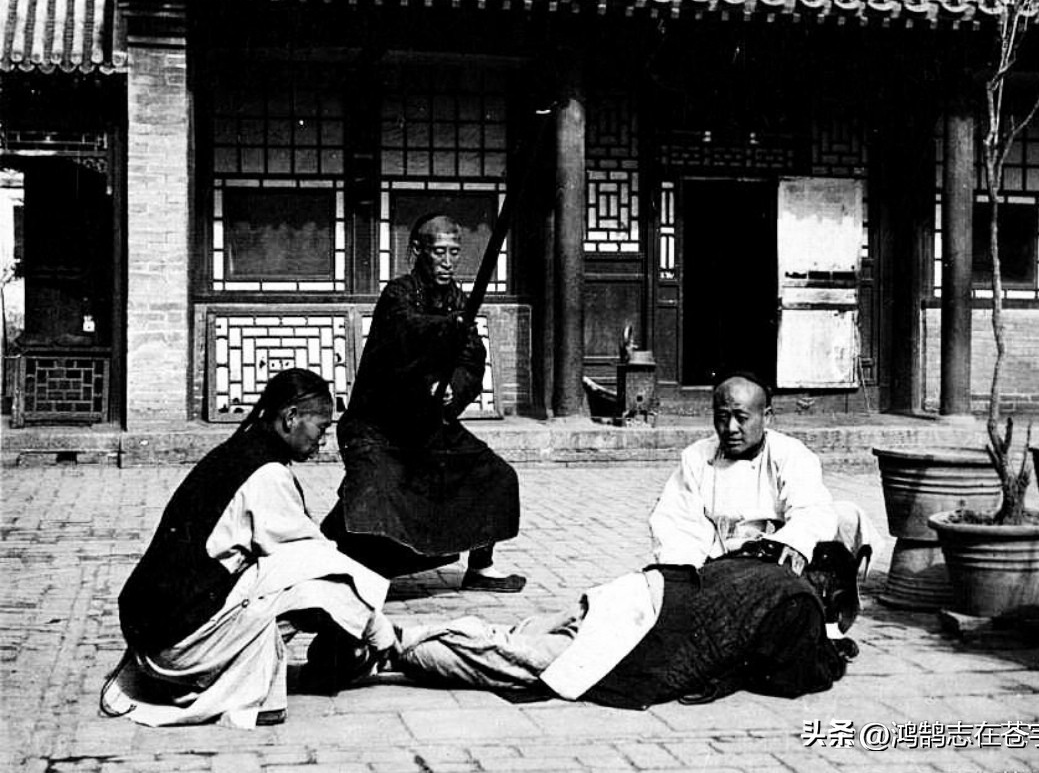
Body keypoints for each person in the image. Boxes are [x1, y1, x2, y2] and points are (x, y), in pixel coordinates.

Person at [100, 369, 395, 728]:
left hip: (155, 640)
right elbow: (315, 560)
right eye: (320, 428)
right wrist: (375, 629)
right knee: (316, 577)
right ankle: (257, 690)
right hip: (179, 649)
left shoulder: (240, 451)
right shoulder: (266, 473)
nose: (322, 441)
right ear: (290, 418)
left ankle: (330, 656)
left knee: (287, 571)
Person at [323, 213, 525, 591]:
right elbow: (405, 330)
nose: (448, 262)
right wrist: (450, 325)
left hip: (428, 425)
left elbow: (470, 360)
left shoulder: (457, 299)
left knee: (495, 475)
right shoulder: (398, 295)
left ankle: (480, 567)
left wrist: (455, 390)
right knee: (374, 491)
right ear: (417, 251)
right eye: (439, 252)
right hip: (377, 425)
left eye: (454, 253)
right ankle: (342, 560)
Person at [387, 550, 854, 708]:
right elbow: (790, 680)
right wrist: (832, 658)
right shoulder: (801, 600)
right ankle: (392, 645)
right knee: (517, 663)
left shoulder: (763, 568)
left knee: (522, 638)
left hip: (633, 592)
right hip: (639, 631)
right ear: (829, 587)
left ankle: (404, 639)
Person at [649, 372, 879, 634]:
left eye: (741, 418)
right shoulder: (696, 457)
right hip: (718, 562)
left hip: (777, 560)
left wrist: (791, 545)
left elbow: (810, 509)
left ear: (766, 417)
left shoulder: (791, 454)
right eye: (722, 417)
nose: (731, 428)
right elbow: (676, 519)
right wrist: (685, 577)